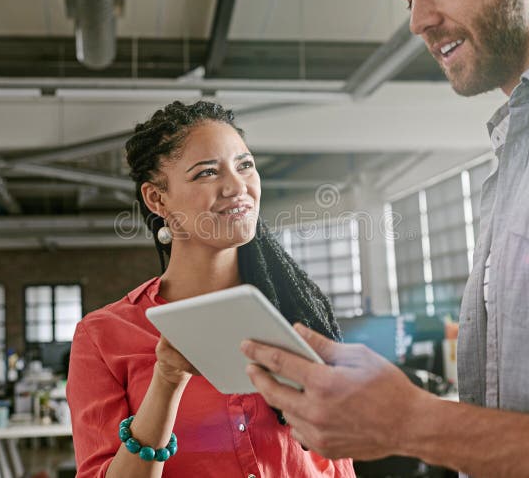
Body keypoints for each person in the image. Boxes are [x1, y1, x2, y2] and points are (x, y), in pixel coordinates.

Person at [242, 0, 529, 476]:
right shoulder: (515, 155)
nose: (418, 20)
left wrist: (412, 424)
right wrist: (385, 403)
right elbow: (515, 421)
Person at [67, 100, 355, 478]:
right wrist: (167, 381)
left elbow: (336, 464)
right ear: (157, 198)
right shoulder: (103, 337)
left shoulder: (298, 310)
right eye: (206, 173)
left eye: (245, 165)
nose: (237, 187)